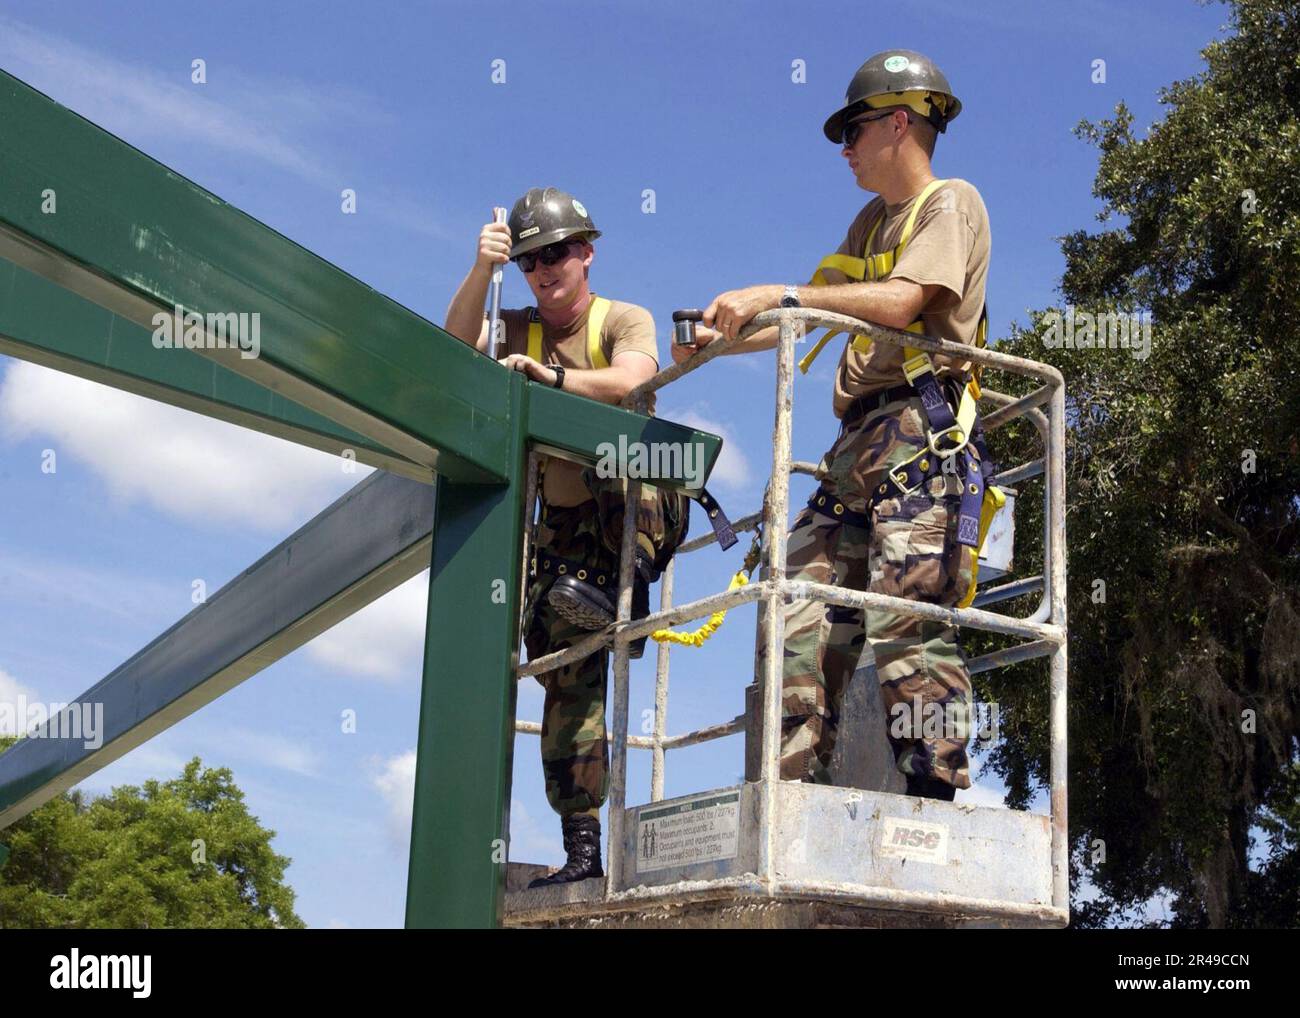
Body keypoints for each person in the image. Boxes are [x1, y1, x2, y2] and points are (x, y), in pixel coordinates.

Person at [673, 50, 990, 800]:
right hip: (857, 444)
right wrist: (719, 339)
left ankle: (933, 799)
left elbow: (902, 302)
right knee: (794, 606)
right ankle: (791, 800)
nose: (845, 148)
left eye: (855, 128)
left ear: (900, 122)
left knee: (904, 617)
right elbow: (804, 312)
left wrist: (771, 291)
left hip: (921, 432)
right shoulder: (868, 222)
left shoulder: (951, 203)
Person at [444, 186, 681, 885]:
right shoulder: (514, 322)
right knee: (564, 680)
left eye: (557, 254)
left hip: (635, 510)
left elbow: (632, 382)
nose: (544, 269)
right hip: (565, 539)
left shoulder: (621, 318)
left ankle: (625, 604)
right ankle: (583, 853)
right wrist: (480, 273)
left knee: (621, 450)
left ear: (587, 253)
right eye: (529, 260)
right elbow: (455, 348)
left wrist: (547, 378)